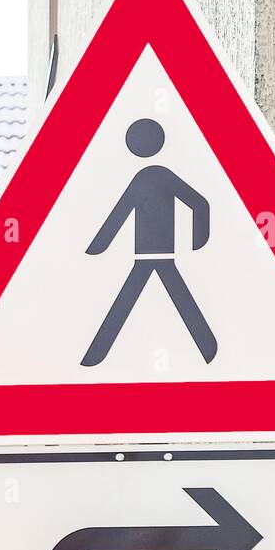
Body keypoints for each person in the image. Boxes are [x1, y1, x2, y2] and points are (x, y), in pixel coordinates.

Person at [81, 118, 217, 366]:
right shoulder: (156, 176)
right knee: (169, 296)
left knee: (134, 298)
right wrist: (197, 240)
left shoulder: (151, 177)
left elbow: (120, 213)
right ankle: (209, 348)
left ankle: (95, 355)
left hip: (154, 253)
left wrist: (99, 245)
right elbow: (199, 204)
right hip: (153, 253)